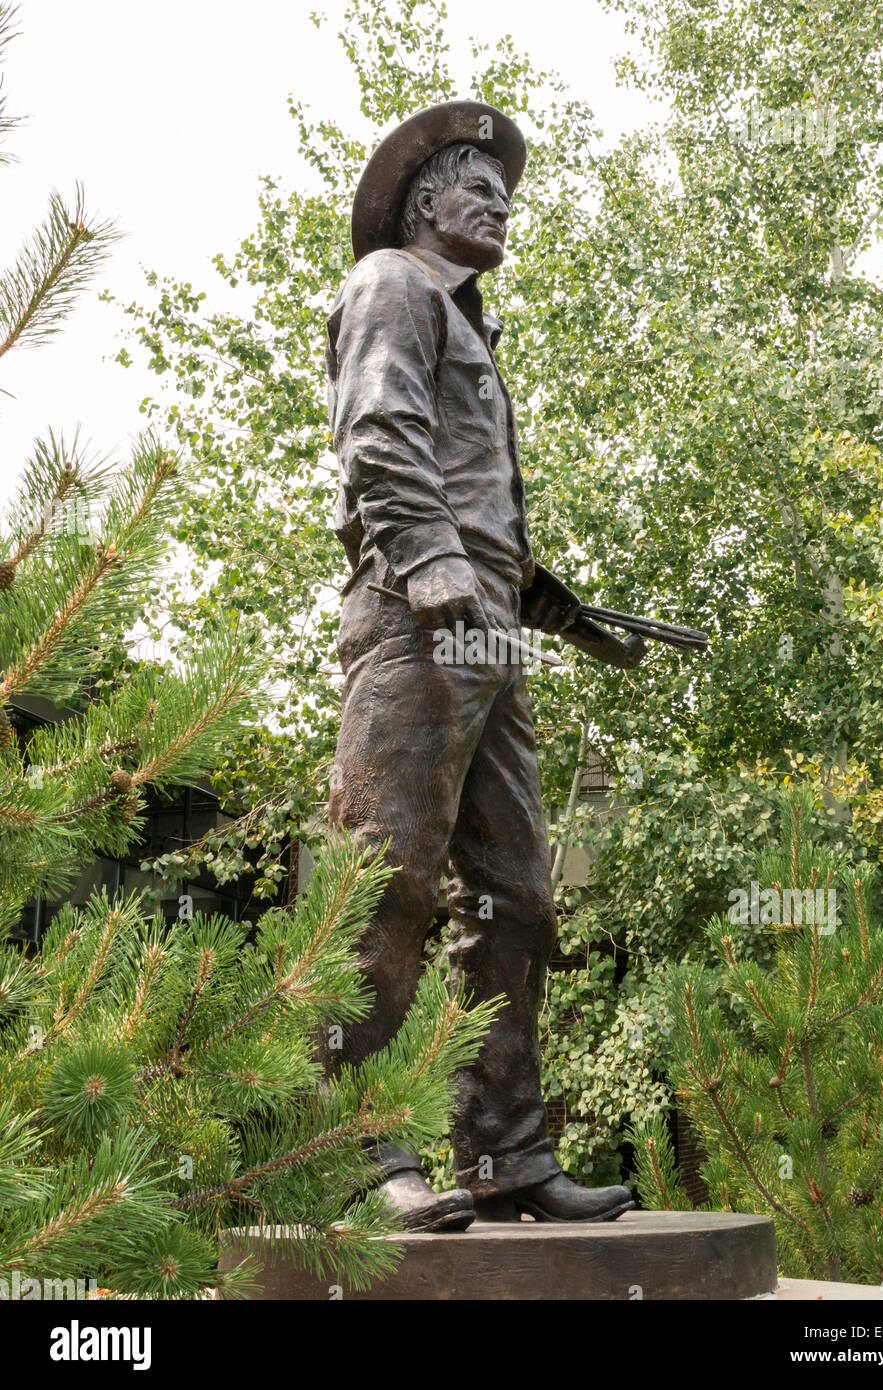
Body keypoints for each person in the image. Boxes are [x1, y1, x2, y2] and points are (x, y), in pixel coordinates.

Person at [320, 100, 633, 1230]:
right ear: (420, 205)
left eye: (507, 193)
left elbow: (481, 510)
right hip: (416, 616)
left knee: (517, 896)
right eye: (475, 188)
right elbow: (380, 440)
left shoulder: (470, 326)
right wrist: (437, 566)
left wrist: (555, 608)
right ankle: (353, 1155)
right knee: (383, 877)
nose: (499, 204)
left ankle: (505, 1154)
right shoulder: (393, 286)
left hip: (485, 623)